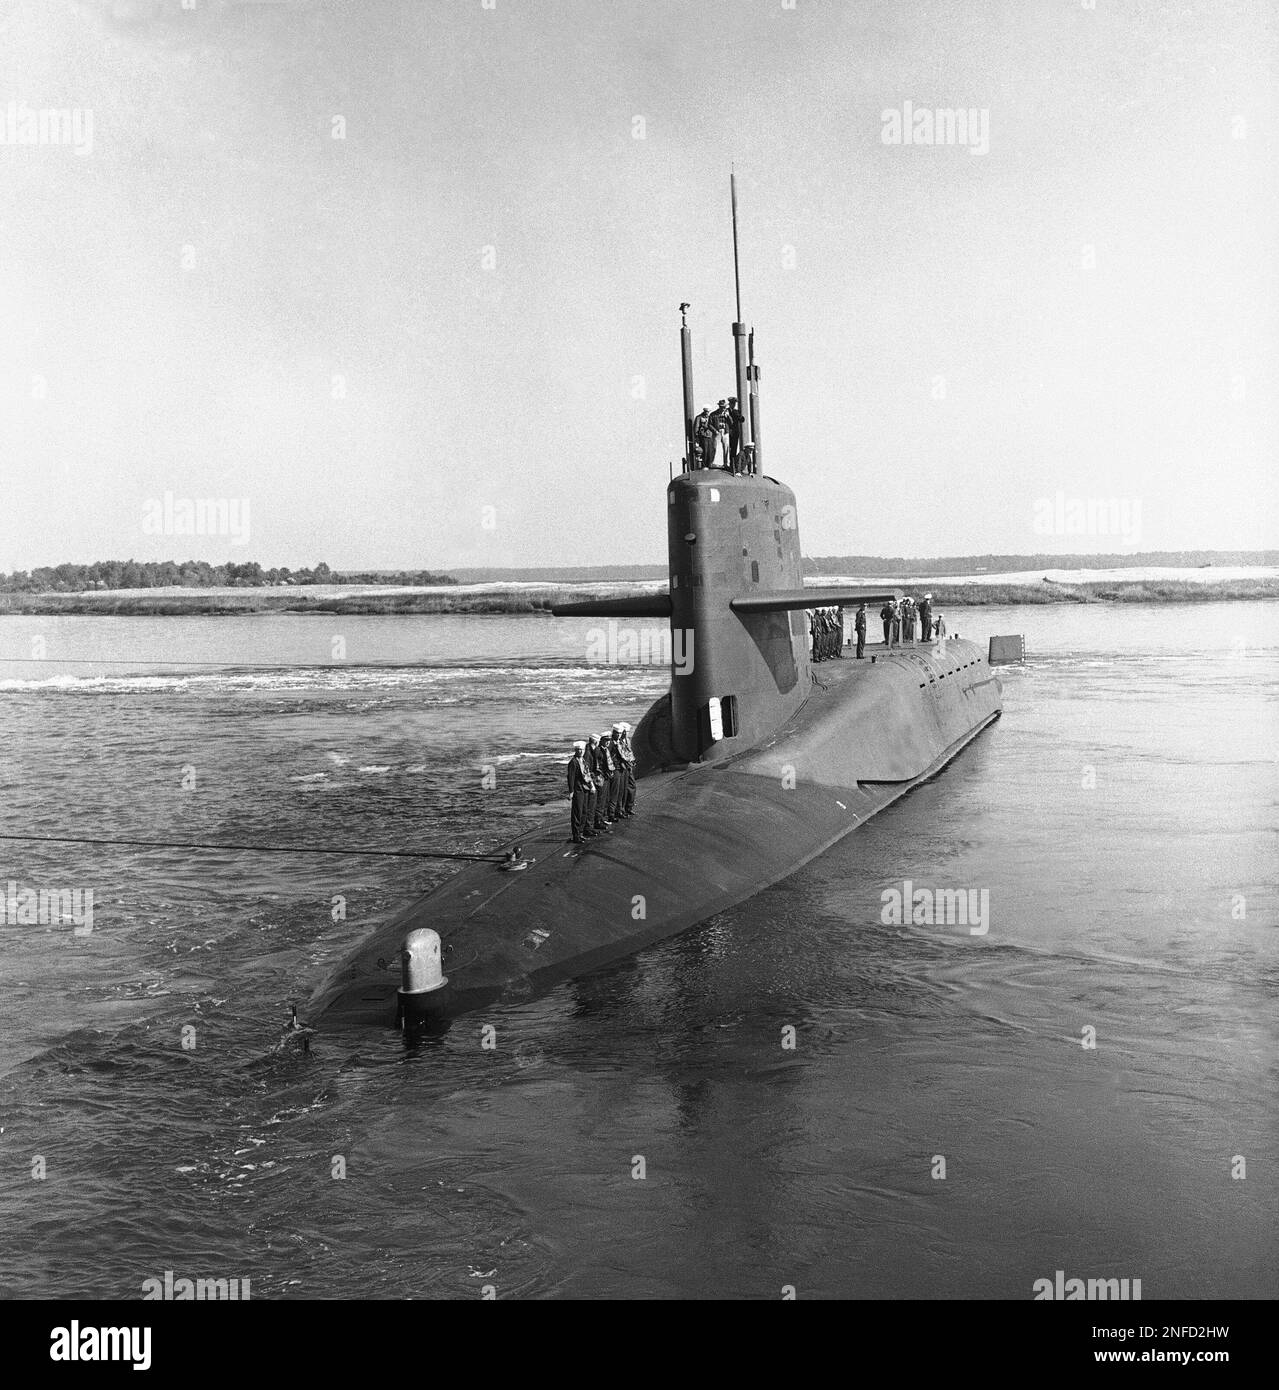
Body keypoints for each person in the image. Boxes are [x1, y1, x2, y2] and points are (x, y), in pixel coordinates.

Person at [567, 740, 594, 842]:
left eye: (582, 750)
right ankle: (576, 835)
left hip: (585, 789)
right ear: (575, 750)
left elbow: (587, 774)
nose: (581, 751)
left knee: (584, 811)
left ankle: (581, 833)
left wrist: (591, 786)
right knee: (577, 813)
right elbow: (571, 778)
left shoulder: (583, 761)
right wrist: (571, 792)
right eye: (579, 750)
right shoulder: (573, 762)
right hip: (578, 790)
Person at [586, 733, 611, 834]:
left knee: (598, 801)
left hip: (598, 778)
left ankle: (596, 822)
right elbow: (587, 770)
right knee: (592, 804)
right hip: (594, 780)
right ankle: (590, 826)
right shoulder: (588, 752)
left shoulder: (594, 750)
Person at [614, 722, 637, 818]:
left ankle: (628, 807)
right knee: (621, 789)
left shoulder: (627, 740)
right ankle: (622, 809)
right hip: (622, 768)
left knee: (631, 786)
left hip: (628, 767)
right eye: (624, 732)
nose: (625, 733)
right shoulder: (618, 742)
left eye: (627, 732)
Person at [693, 404, 715, 469]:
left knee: (710, 451)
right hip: (703, 436)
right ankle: (704, 465)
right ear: (704, 411)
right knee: (704, 451)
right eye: (706, 411)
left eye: (708, 411)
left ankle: (709, 464)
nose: (707, 413)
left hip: (710, 436)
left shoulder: (710, 417)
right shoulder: (699, 417)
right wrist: (696, 436)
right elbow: (696, 427)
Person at [725, 396, 744, 471]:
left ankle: (732, 464)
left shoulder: (737, 411)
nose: (733, 405)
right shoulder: (726, 411)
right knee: (727, 448)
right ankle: (727, 463)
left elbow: (742, 419)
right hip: (727, 432)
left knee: (734, 449)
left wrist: (737, 415)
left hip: (735, 432)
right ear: (730, 403)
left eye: (734, 403)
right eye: (732, 403)